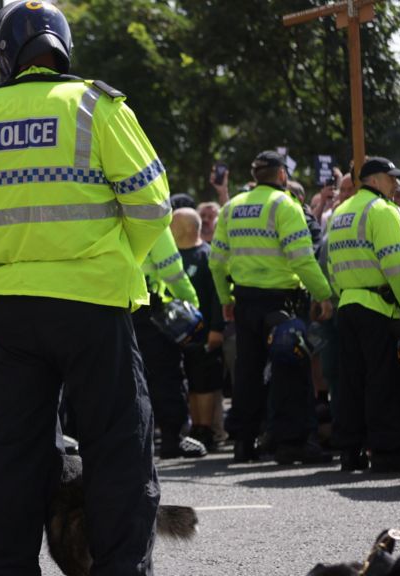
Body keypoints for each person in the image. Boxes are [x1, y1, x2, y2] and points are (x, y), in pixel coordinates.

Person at [0, 3, 166, 572]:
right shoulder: (96, 104)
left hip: (12, 314)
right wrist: (112, 261)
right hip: (94, 305)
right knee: (117, 449)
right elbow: (153, 204)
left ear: (5, 55)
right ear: (63, 47)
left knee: (14, 454)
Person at [209, 150, 334, 465]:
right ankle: (291, 443)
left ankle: (244, 443)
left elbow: (216, 261)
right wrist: (323, 294)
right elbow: (302, 258)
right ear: (282, 176)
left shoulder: (232, 207)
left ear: (255, 176)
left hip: (245, 302)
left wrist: (226, 299)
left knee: (247, 373)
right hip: (282, 302)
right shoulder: (285, 205)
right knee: (290, 370)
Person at [325, 158, 400, 472]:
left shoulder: (340, 213)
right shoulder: (381, 211)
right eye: (391, 178)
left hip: (348, 305)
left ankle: (350, 451)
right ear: (374, 180)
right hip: (378, 308)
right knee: (384, 382)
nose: (396, 185)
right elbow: (398, 267)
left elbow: (332, 266)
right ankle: (388, 451)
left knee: (351, 383)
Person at [135, 229, 206, 458]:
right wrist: (191, 303)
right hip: (150, 313)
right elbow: (172, 272)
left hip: (112, 309)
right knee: (165, 377)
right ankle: (171, 439)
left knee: (125, 379)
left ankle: (130, 444)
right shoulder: (152, 218)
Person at [171, 207, 226, 451]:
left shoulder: (207, 255)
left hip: (204, 332)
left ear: (188, 228)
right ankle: (194, 428)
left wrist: (217, 329)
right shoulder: (170, 257)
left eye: (173, 224)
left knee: (204, 383)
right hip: (177, 336)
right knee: (190, 384)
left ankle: (205, 430)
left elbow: (218, 296)